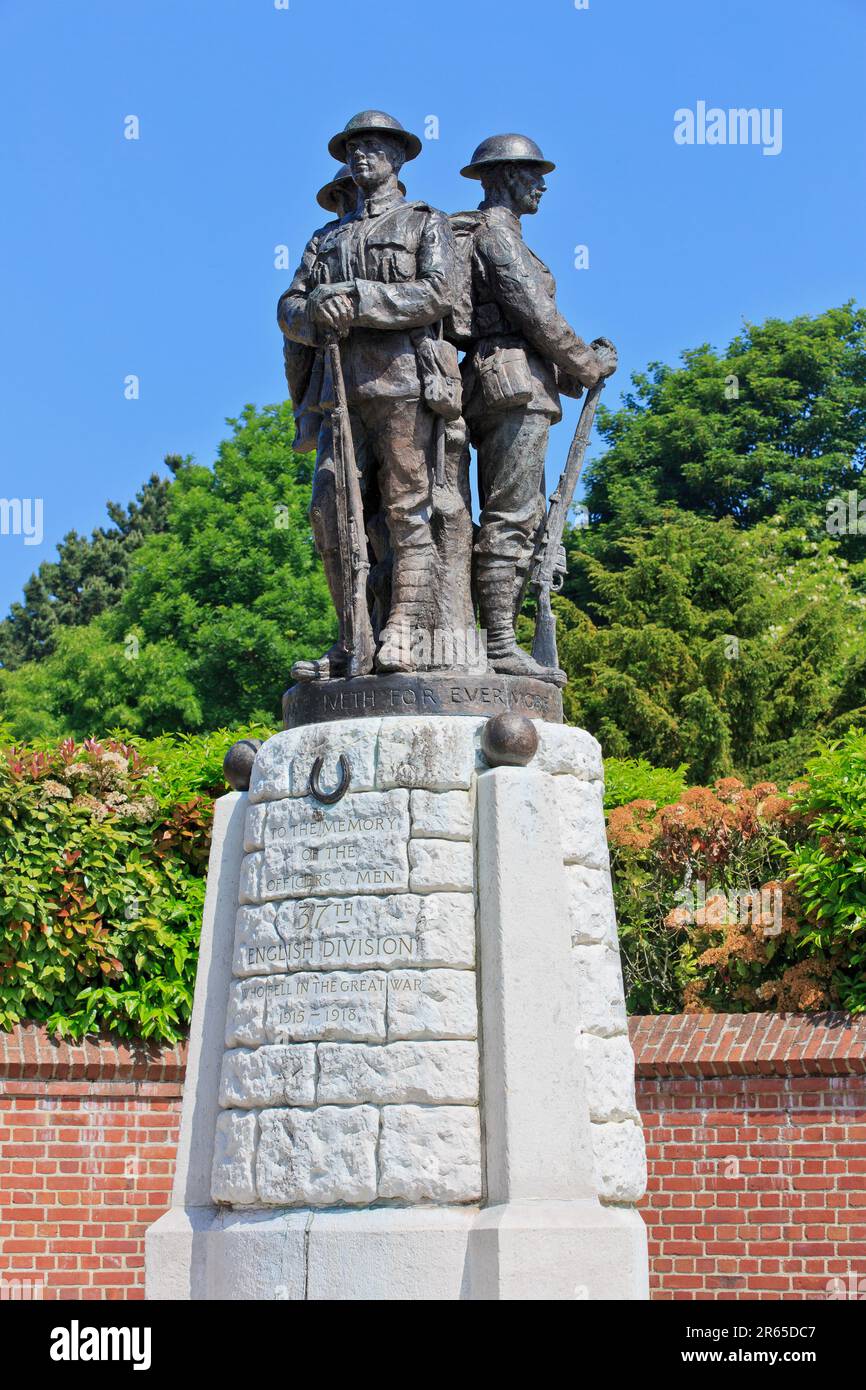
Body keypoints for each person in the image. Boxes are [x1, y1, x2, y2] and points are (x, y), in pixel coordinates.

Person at [279, 111, 457, 679]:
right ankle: (350, 636)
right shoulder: (325, 237)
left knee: (408, 509)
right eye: (354, 147)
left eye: (375, 147)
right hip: (339, 392)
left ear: (399, 158)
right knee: (329, 510)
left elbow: (437, 293)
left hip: (403, 382)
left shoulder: (423, 222)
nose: (362, 156)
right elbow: (287, 307)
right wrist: (312, 312)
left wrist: (357, 299)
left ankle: (404, 629)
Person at [455, 134, 617, 683]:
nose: (542, 184)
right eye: (531, 174)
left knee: (517, 516)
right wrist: (586, 365)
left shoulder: (501, 235)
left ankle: (498, 636)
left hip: (513, 380)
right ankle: (499, 643)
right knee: (514, 516)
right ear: (501, 179)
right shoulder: (496, 236)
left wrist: (573, 369)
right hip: (511, 384)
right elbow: (535, 313)